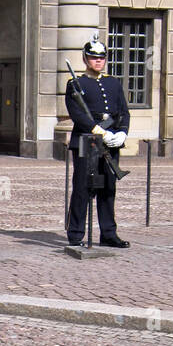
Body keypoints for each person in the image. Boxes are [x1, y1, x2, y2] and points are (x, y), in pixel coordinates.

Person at [65, 37, 130, 248]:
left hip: (111, 141)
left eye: (101, 58)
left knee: (108, 188)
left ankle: (108, 233)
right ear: (85, 59)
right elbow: (77, 114)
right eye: (93, 58)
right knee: (83, 187)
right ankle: (75, 234)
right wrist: (97, 130)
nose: (98, 61)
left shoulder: (113, 82)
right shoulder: (76, 84)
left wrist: (122, 133)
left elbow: (123, 111)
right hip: (87, 140)